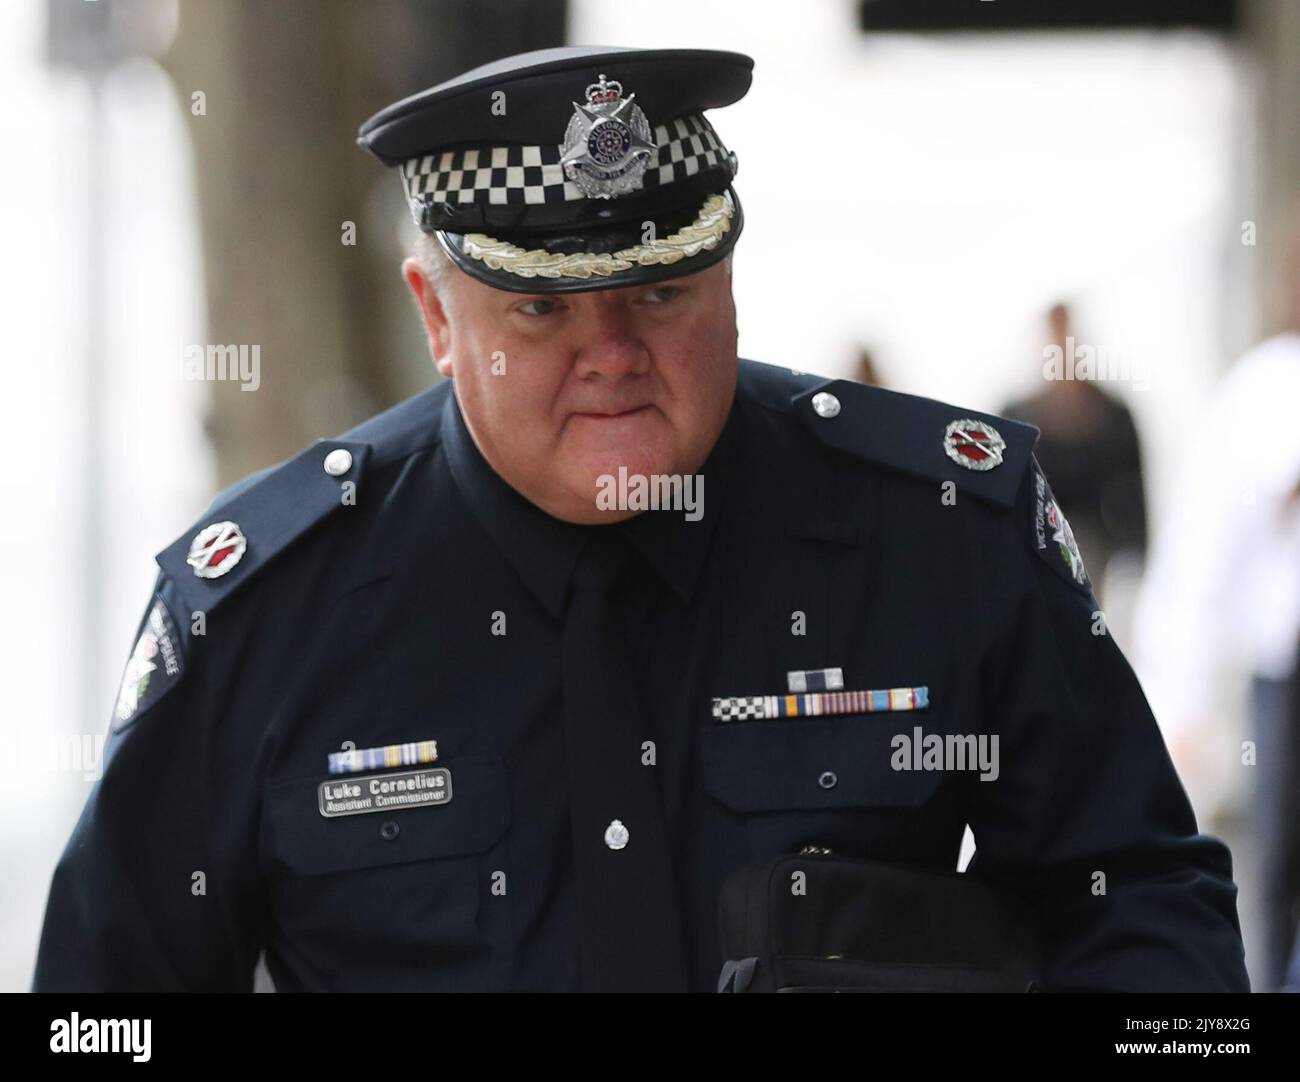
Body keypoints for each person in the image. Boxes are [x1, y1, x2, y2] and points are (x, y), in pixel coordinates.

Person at [33, 45, 1248, 993]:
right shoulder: (265, 607)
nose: (611, 355)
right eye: (540, 315)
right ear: (438, 317)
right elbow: (109, 1002)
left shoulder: (938, 529)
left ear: (729, 284)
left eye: (659, 292)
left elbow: (1135, 900)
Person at [1003, 302, 1148, 600]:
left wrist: (1134, 557)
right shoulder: (1015, 416)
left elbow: (1132, 497)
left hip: (1095, 553)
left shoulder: (1113, 417)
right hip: (1030, 555)